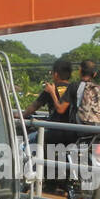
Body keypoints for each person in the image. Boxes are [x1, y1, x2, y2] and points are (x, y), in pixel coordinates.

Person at [29, 58, 74, 191]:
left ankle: (33, 177)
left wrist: (20, 115)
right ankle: (54, 179)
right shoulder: (73, 89)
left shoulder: (51, 89)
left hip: (55, 130)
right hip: (72, 131)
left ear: (55, 74)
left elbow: (33, 106)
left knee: (30, 141)